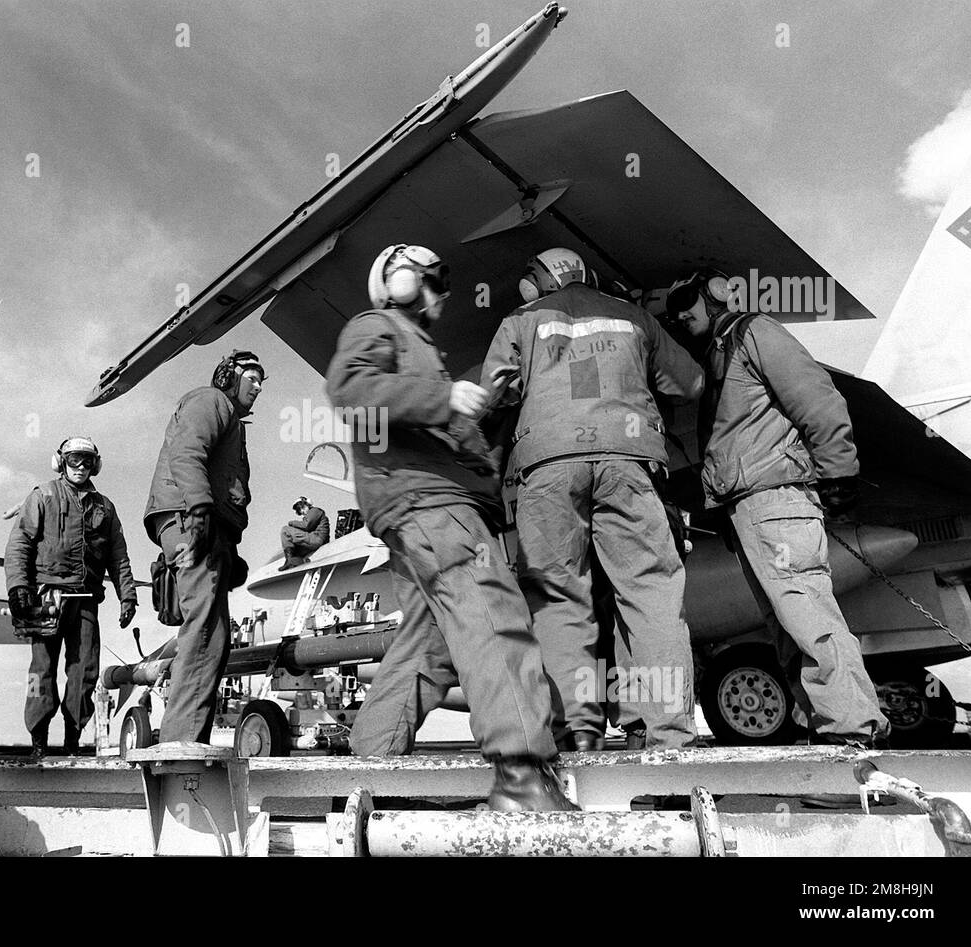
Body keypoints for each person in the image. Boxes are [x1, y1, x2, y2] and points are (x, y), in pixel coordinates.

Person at [326, 243, 572, 811]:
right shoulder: (376, 325)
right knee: (492, 615)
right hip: (429, 503)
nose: (440, 295)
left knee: (427, 648)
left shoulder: (419, 348)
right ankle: (521, 779)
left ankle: (367, 779)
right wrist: (442, 397)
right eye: (431, 282)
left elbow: (439, 428)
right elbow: (351, 393)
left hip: (418, 505)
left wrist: (478, 416)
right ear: (401, 281)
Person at [482, 247, 703, 752]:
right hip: (630, 460)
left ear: (541, 280)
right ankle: (670, 734)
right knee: (650, 592)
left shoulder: (521, 320)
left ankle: (578, 729)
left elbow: (492, 395)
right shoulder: (635, 318)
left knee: (558, 595)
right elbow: (690, 383)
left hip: (548, 466)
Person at [666, 269, 890, 747]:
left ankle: (852, 735)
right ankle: (826, 733)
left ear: (716, 294)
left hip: (777, 500)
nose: (680, 313)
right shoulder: (721, 353)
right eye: (673, 309)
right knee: (787, 628)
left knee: (808, 617)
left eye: (687, 299)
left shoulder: (754, 331)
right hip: (749, 507)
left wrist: (838, 471)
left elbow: (817, 397)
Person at [145, 350, 261, 744]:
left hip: (204, 526)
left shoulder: (231, 420)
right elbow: (187, 452)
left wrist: (230, 547)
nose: (258, 386)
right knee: (206, 633)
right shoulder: (211, 401)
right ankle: (180, 748)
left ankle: (187, 740)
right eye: (252, 377)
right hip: (189, 519)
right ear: (228, 377)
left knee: (213, 635)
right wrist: (199, 510)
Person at [6, 436, 137, 758]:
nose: (80, 466)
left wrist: (128, 597)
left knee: (84, 673)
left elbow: (118, 556)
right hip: (46, 599)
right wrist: (18, 587)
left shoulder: (104, 507)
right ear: (61, 461)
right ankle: (38, 742)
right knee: (41, 671)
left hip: (86, 600)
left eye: (87, 460)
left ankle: (71, 744)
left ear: (96, 464)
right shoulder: (43, 495)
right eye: (73, 459)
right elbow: (20, 543)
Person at [279, 497, 329, 570]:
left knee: (285, 530)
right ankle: (296, 561)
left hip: (317, 538)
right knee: (295, 550)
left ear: (307, 504)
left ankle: (289, 560)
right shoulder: (310, 515)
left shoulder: (315, 511)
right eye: (299, 510)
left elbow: (306, 525)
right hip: (314, 540)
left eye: (302, 507)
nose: (301, 511)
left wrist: (292, 523)